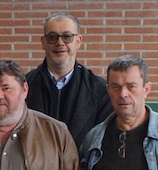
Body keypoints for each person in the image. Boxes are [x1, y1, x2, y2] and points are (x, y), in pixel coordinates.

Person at [24, 13, 111, 151]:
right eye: (52, 37)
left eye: (67, 36)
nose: (60, 43)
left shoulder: (100, 92)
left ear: (78, 41)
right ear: (43, 42)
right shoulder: (23, 88)